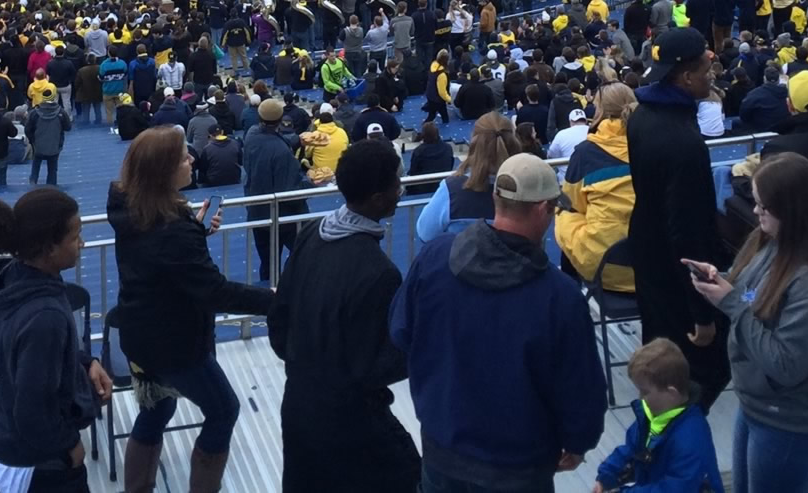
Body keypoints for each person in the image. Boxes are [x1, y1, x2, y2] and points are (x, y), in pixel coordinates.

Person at [391, 152, 605, 493]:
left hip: (442, 450)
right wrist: (579, 440)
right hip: (519, 466)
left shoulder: (433, 257)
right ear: (542, 209)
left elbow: (400, 332)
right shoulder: (561, 297)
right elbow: (581, 387)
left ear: (495, 198)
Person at [107, 126, 275, 493]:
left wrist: (195, 230)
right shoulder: (172, 232)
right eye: (184, 158)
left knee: (157, 408)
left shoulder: (130, 207)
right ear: (164, 171)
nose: (192, 161)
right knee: (224, 409)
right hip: (175, 342)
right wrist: (276, 300)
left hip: (139, 333)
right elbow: (214, 291)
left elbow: (160, 258)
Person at [687, 153, 808, 493]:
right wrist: (722, 283)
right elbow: (753, 297)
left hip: (789, 426)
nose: (755, 211)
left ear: (792, 211)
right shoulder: (771, 242)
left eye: (763, 206)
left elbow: (786, 365)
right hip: (757, 407)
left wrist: (731, 302)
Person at [271, 139, 420, 493]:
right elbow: (372, 367)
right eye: (396, 185)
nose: (400, 192)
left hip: (298, 407)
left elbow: (279, 320)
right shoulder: (379, 272)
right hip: (350, 425)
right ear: (378, 198)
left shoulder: (311, 234)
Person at [0, 189, 115, 492]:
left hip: (4, 438)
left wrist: (85, 362)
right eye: (75, 236)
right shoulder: (45, 316)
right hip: (35, 463)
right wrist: (70, 447)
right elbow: (31, 412)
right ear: (49, 247)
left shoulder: (18, 278)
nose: (82, 243)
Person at [627, 28, 730, 407]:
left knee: (660, 365)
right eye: (705, 69)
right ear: (686, 77)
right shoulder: (683, 143)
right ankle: (676, 436)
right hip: (676, 278)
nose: (712, 75)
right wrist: (702, 314)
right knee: (700, 376)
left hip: (649, 256)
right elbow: (687, 233)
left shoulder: (641, 116)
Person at [587, 338, 722, 493]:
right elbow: (631, 450)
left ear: (671, 393)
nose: (640, 398)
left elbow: (676, 488)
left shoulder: (691, 437)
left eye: (645, 392)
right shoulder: (653, 415)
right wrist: (606, 477)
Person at [554, 82, 636, 292]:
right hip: (660, 262)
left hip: (605, 267)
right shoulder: (658, 143)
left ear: (599, 110)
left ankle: (571, 292)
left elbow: (571, 203)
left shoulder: (585, 152)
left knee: (564, 213)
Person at [416, 110, 521, 243]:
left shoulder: (452, 190)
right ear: (513, 142)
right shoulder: (527, 190)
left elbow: (425, 233)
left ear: (474, 143)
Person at [242, 95, 306, 283]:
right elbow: (290, 193)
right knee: (303, 254)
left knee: (268, 265)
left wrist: (297, 140)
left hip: (257, 212)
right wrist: (312, 183)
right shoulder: (282, 153)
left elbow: (273, 140)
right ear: (280, 120)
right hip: (284, 218)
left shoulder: (252, 134)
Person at [20, 92, 72, 185]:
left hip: (38, 145)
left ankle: (33, 183)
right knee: (52, 169)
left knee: (36, 165)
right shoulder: (61, 112)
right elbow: (68, 127)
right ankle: (52, 187)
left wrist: (33, 140)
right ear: (53, 98)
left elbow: (27, 129)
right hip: (55, 145)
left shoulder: (34, 113)